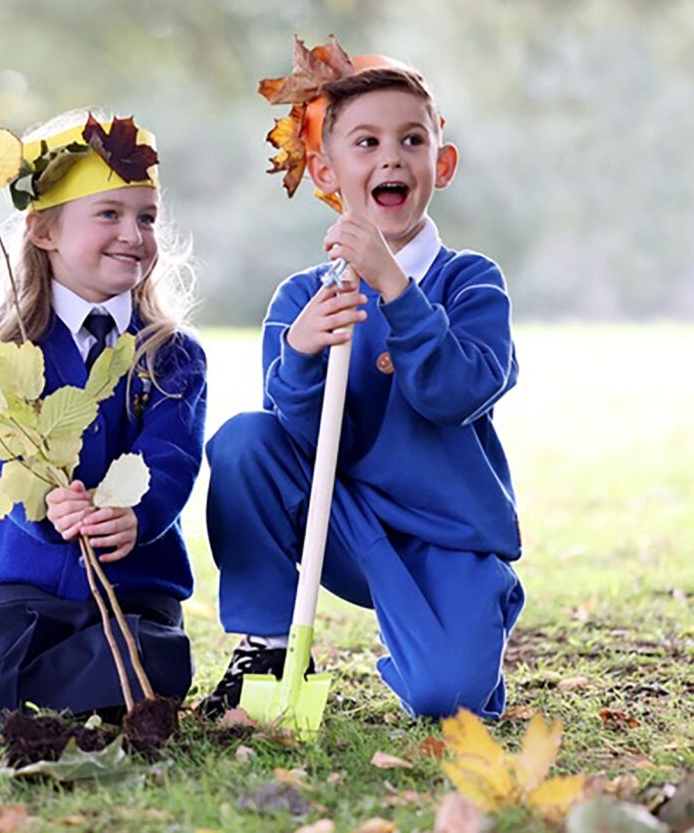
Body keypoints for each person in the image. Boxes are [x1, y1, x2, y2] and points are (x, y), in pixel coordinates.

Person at [200, 52, 525, 721]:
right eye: (367, 142)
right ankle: (265, 643)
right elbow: (298, 446)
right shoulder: (302, 297)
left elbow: (454, 393)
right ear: (327, 170)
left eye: (413, 140)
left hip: (446, 534)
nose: (393, 158)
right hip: (346, 523)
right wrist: (300, 356)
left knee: (450, 700)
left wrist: (397, 292)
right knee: (243, 442)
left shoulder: (470, 282)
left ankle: (473, 612)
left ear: (443, 162)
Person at [0, 112, 207, 726]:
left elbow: (172, 456)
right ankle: (27, 688)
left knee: (150, 661)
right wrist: (52, 507)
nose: (134, 234)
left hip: (132, 596)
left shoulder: (170, 353)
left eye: (146, 217)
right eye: (109, 214)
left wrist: (134, 515)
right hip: (26, 593)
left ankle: (45, 694)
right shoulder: (2, 352)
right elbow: (4, 459)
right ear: (44, 229)